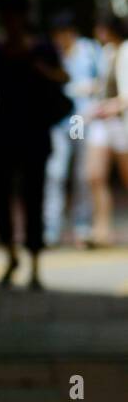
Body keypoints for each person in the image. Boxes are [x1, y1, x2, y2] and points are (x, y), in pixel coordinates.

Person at [0, 0, 70, 288]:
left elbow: (62, 77)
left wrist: (38, 67)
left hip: (34, 134)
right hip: (2, 133)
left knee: (34, 198)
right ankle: (10, 253)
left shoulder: (42, 49)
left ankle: (34, 264)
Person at [43, 12, 98, 248]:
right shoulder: (51, 53)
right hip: (58, 120)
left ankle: (81, 225)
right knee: (55, 173)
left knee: (81, 175)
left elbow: (102, 80)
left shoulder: (89, 50)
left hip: (81, 119)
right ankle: (51, 227)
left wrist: (84, 89)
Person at [86, 16, 128, 247]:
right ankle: (101, 231)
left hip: (121, 122)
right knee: (94, 175)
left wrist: (114, 106)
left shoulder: (126, 51)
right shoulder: (107, 52)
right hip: (103, 121)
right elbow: (103, 86)